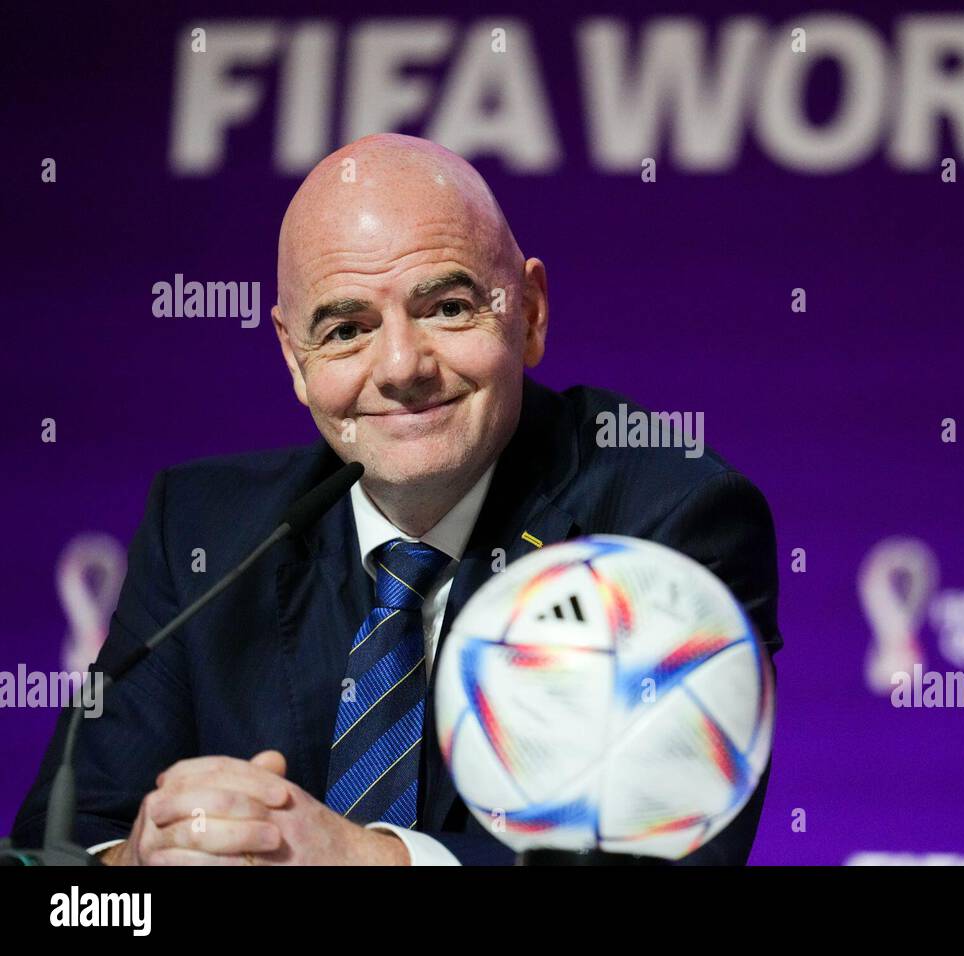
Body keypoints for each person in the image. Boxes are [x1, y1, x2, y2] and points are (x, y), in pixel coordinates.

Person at [13, 134, 781, 865]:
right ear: (294, 357)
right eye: (347, 329)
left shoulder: (666, 523)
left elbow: (664, 854)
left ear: (532, 314)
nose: (401, 366)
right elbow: (56, 854)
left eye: (447, 308)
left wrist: (371, 860)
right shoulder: (205, 533)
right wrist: (139, 864)